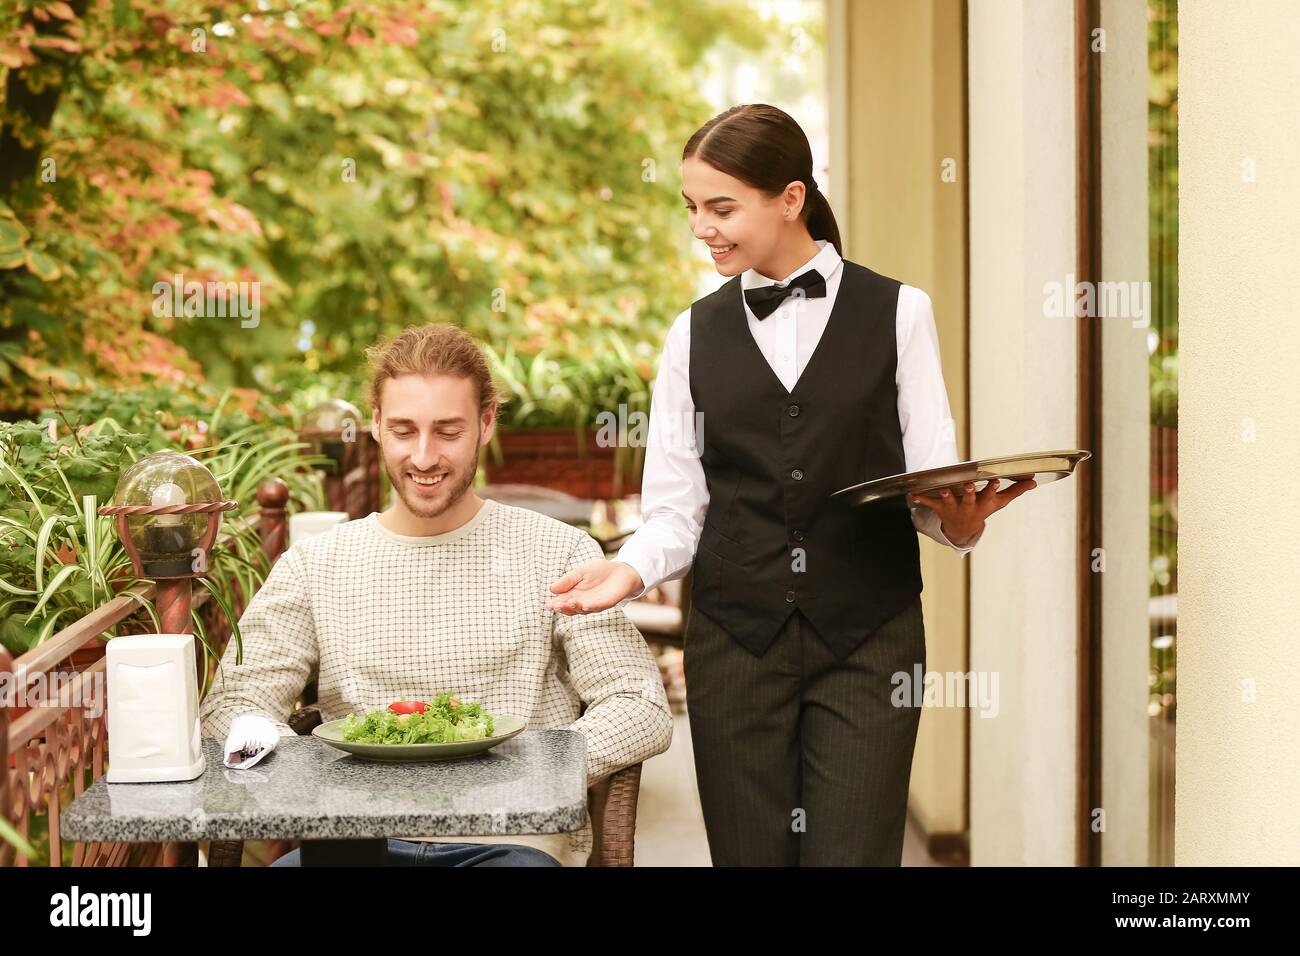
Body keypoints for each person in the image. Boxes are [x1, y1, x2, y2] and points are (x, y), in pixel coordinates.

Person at [547, 103, 1036, 866]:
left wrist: (962, 525)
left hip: (869, 640)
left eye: (721, 208)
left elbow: (930, 485)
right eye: (691, 209)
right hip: (736, 645)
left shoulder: (902, 313)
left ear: (791, 198)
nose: (701, 228)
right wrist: (628, 569)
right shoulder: (690, 335)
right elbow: (678, 511)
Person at [200, 323, 674, 867]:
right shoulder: (317, 564)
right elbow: (232, 706)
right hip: (358, 847)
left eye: (448, 431)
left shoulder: (559, 552)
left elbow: (638, 703)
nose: (424, 458)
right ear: (376, 424)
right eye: (404, 431)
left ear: (486, 422)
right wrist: (309, 782)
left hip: (508, 844)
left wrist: (535, 773)